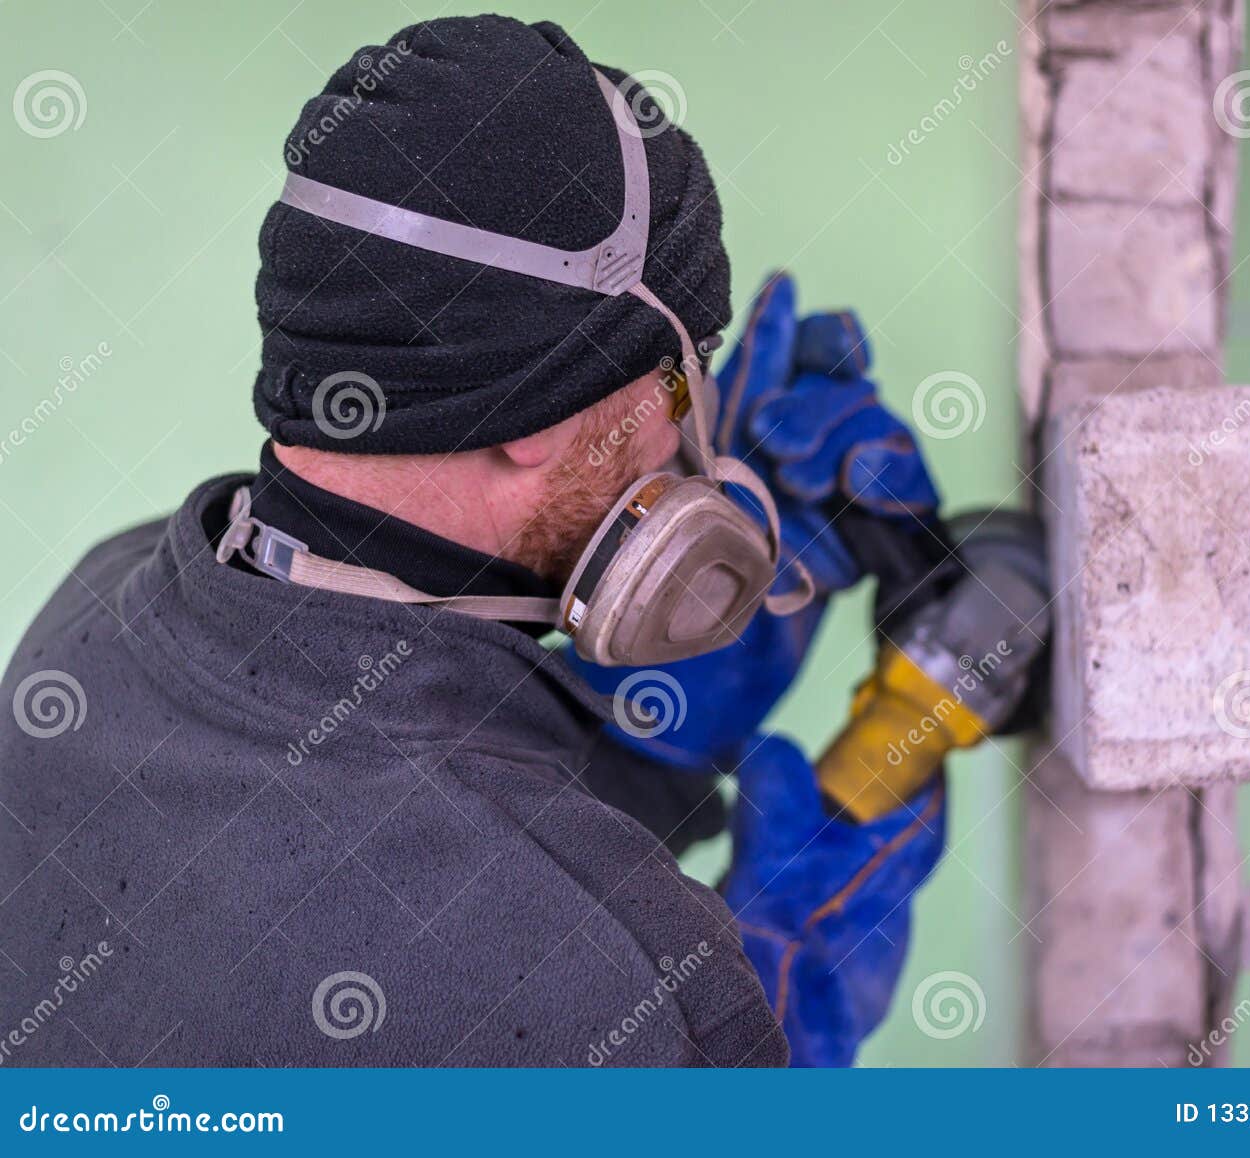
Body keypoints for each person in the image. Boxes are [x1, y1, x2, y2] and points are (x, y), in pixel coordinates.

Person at [0, 15, 944, 1067]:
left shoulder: (101, 607)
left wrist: (625, 759)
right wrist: (753, 1026)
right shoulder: (615, 991)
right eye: (684, 371)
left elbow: (376, 839)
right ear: (540, 405)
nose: (693, 437)